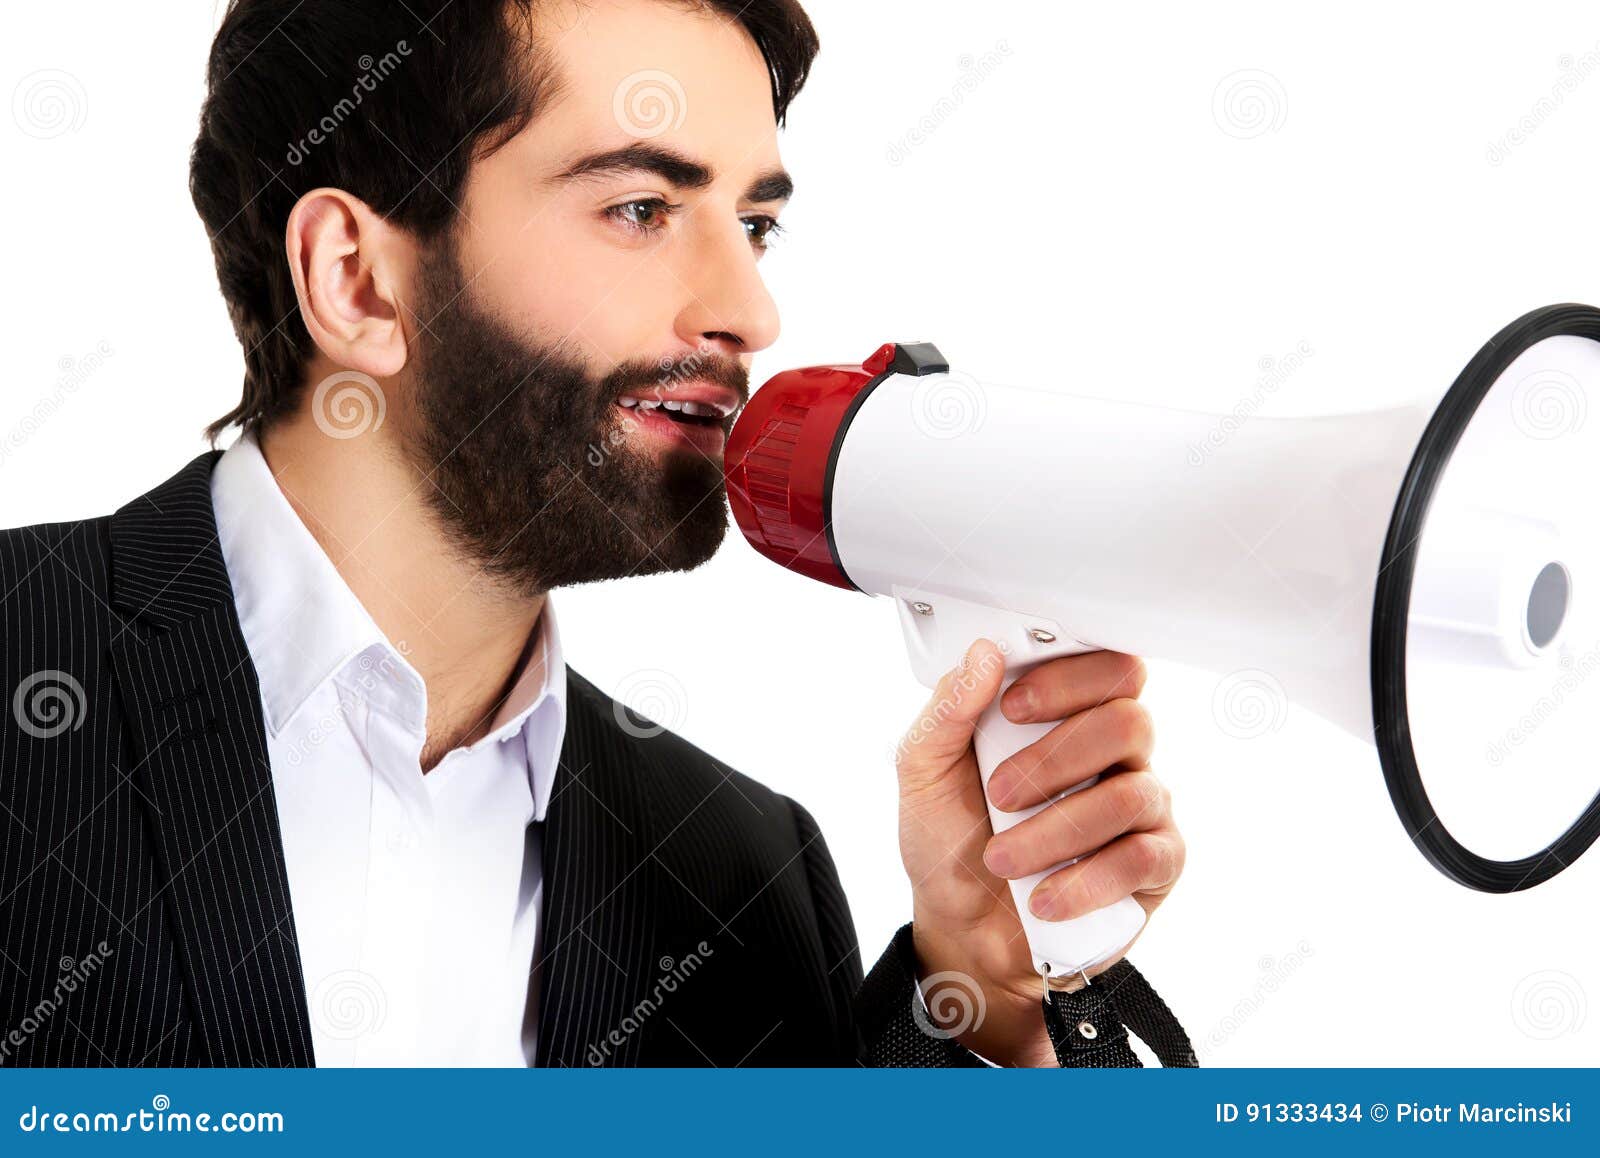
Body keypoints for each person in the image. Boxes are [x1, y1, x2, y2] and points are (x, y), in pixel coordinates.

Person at [0, 0, 1190, 1067]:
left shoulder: (745, 876)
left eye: (756, 224)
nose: (749, 311)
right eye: (639, 208)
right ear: (356, 280)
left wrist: (978, 1001)